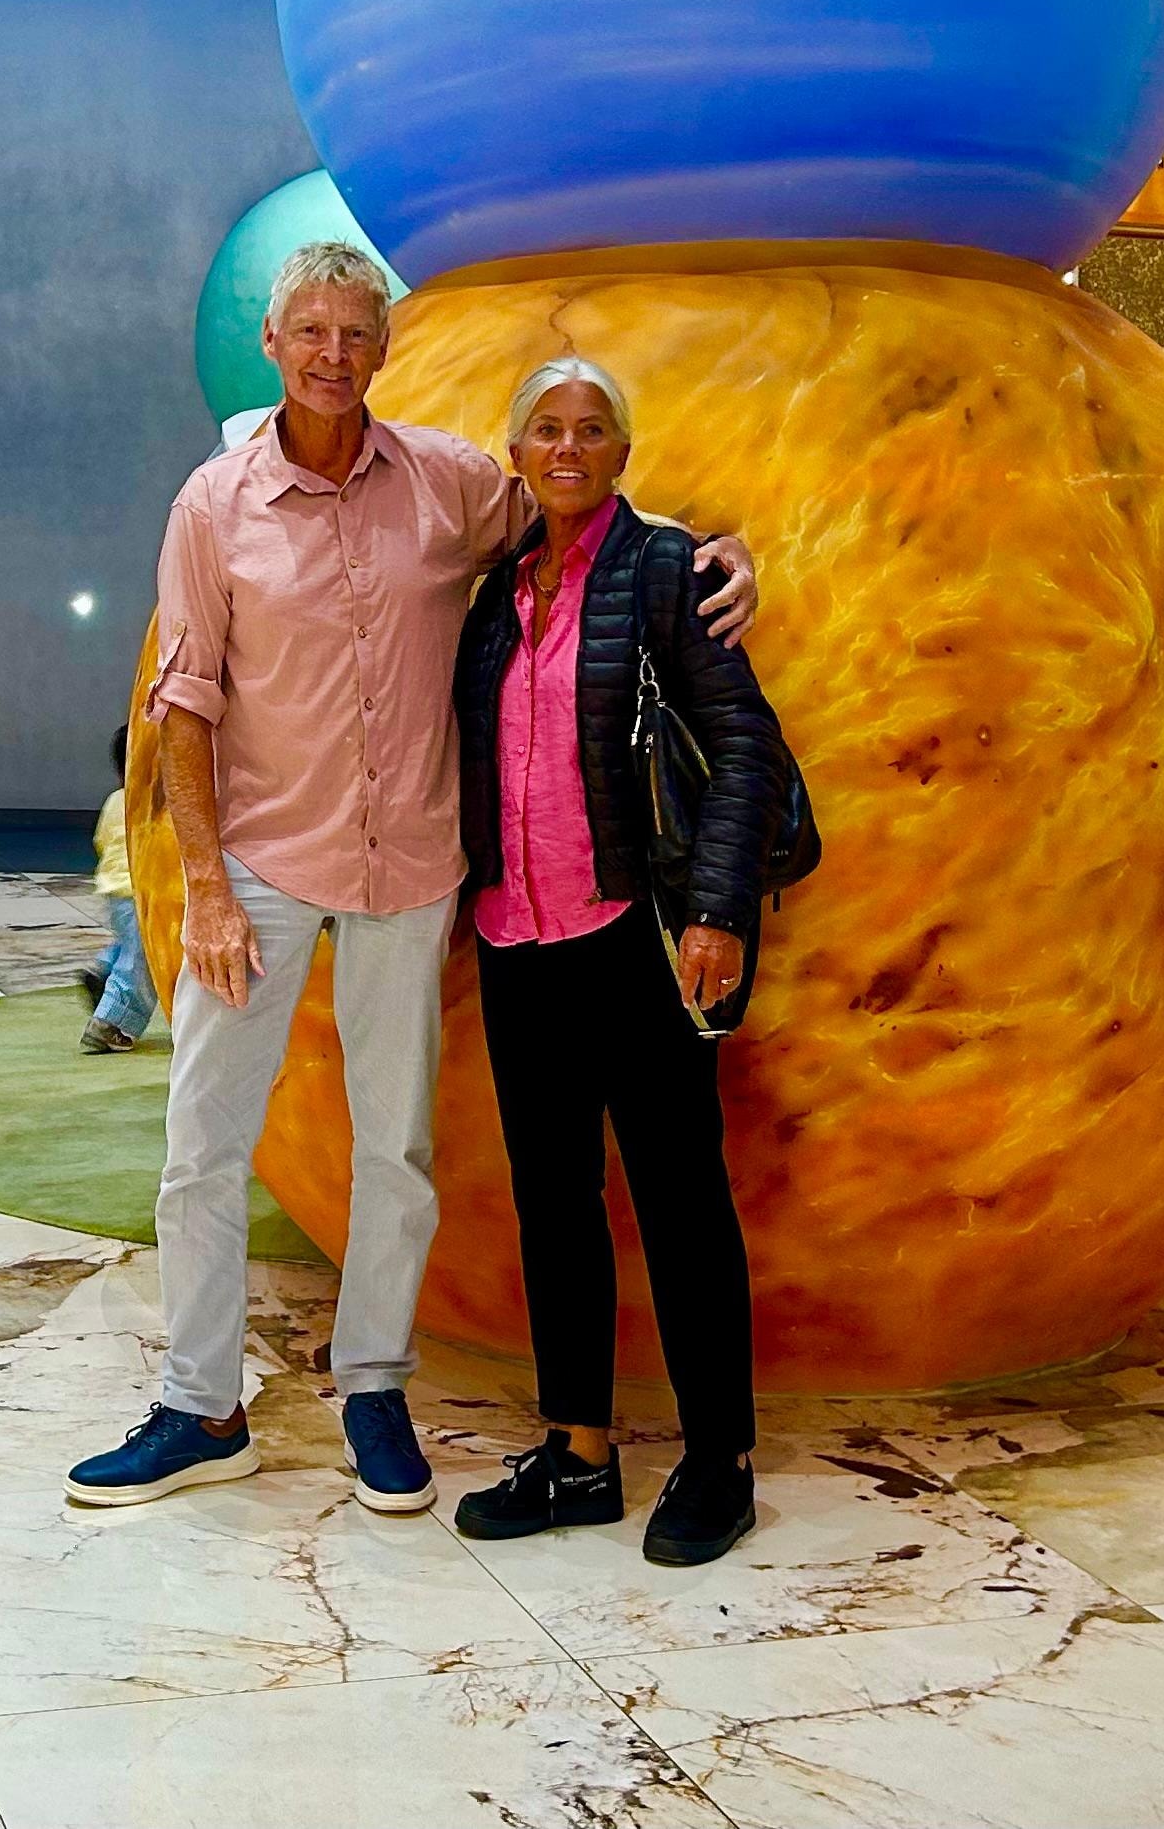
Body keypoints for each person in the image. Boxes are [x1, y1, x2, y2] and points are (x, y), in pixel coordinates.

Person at [65, 242, 757, 1514]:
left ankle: (374, 1388)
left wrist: (717, 550)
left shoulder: (447, 481)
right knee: (203, 1142)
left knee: (395, 1146)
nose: (331, 355)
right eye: (310, 331)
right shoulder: (211, 503)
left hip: (414, 868)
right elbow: (184, 699)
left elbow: (581, 512)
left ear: (382, 350)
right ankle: (198, 1404)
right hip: (261, 864)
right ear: (272, 344)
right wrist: (203, 884)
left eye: (353, 333)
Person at [448, 359, 784, 1568]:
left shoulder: (661, 568)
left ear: (621, 452)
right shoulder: (495, 593)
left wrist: (717, 910)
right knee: (552, 1203)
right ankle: (577, 1451)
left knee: (680, 1200)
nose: (568, 447)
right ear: (517, 453)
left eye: (591, 429)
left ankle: (719, 1459)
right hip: (514, 938)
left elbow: (743, 741)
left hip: (635, 937)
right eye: (546, 428)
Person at [81, 724, 157, 1053]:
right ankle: (110, 1022)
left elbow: (101, 840)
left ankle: (104, 968)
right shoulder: (153, 802)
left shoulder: (115, 800)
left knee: (130, 946)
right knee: (142, 963)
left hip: (115, 891)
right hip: (141, 893)